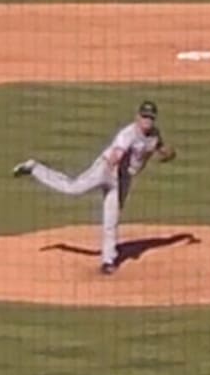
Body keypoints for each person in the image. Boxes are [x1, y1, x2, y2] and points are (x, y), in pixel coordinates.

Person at [12, 101, 175, 275]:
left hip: (123, 179)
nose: (147, 120)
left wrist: (168, 154)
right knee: (73, 189)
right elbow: (117, 153)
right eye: (144, 116)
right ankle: (34, 168)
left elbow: (158, 146)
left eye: (150, 117)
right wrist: (110, 169)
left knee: (112, 218)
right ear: (137, 116)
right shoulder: (127, 134)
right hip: (105, 170)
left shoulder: (154, 135)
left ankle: (108, 261)